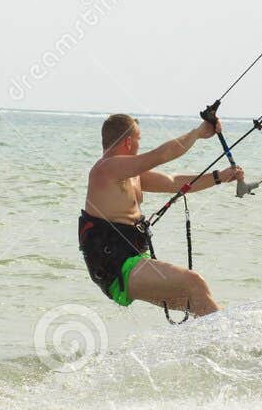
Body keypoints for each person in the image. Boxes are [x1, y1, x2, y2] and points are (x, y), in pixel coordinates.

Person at [79, 113, 243, 317]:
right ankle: (228, 335)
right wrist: (198, 133)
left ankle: (219, 342)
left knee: (198, 302)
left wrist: (219, 176)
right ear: (129, 141)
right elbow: (160, 155)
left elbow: (173, 182)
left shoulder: (130, 175)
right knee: (194, 282)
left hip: (132, 261)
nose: (139, 146)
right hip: (116, 267)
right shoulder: (106, 168)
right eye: (139, 140)